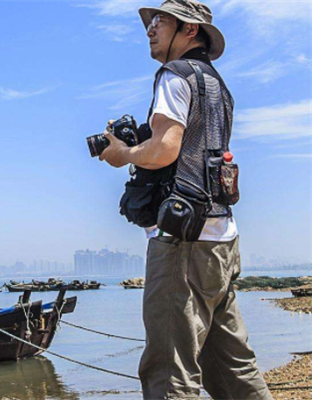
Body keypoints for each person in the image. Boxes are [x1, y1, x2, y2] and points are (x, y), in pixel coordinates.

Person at [98, 0, 274, 399]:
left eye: (160, 20)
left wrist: (121, 154)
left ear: (189, 30)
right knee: (232, 367)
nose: (150, 28)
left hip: (183, 242)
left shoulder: (174, 75)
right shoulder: (217, 85)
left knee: (169, 371)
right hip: (222, 239)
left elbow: (165, 149)